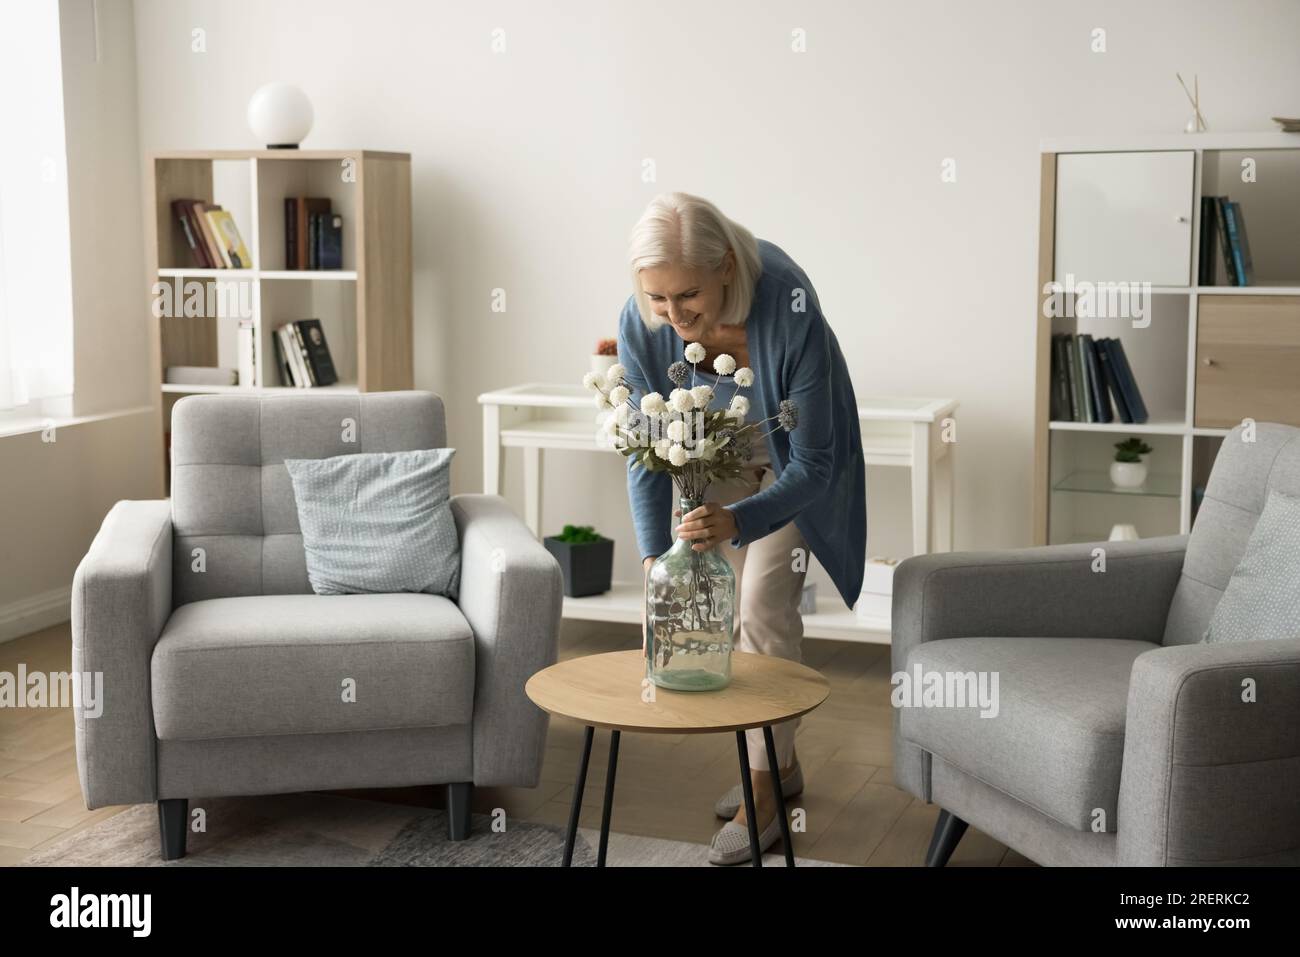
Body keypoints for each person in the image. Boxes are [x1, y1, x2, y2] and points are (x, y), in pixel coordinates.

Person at [617, 192, 867, 864]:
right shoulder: (643, 321)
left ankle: (765, 797)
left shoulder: (787, 304)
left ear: (726, 265)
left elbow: (815, 461)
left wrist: (740, 519)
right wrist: (649, 560)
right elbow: (649, 450)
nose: (673, 316)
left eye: (688, 296)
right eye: (657, 299)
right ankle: (782, 766)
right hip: (716, 457)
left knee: (763, 602)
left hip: (790, 467)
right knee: (702, 598)